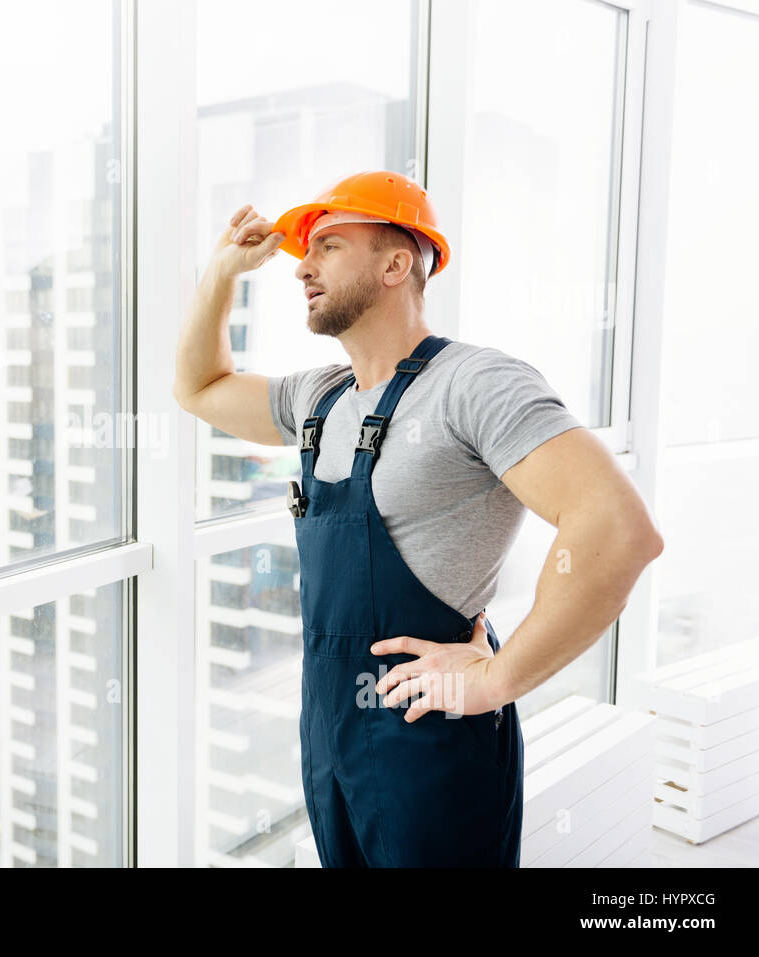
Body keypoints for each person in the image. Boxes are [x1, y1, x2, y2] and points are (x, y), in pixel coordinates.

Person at [171, 169, 664, 867]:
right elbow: (199, 386)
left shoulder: (475, 384)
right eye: (304, 252)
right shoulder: (320, 397)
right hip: (329, 733)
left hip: (430, 741)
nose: (303, 267)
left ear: (397, 264)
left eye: (330, 246)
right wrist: (223, 272)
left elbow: (617, 528)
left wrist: (498, 677)